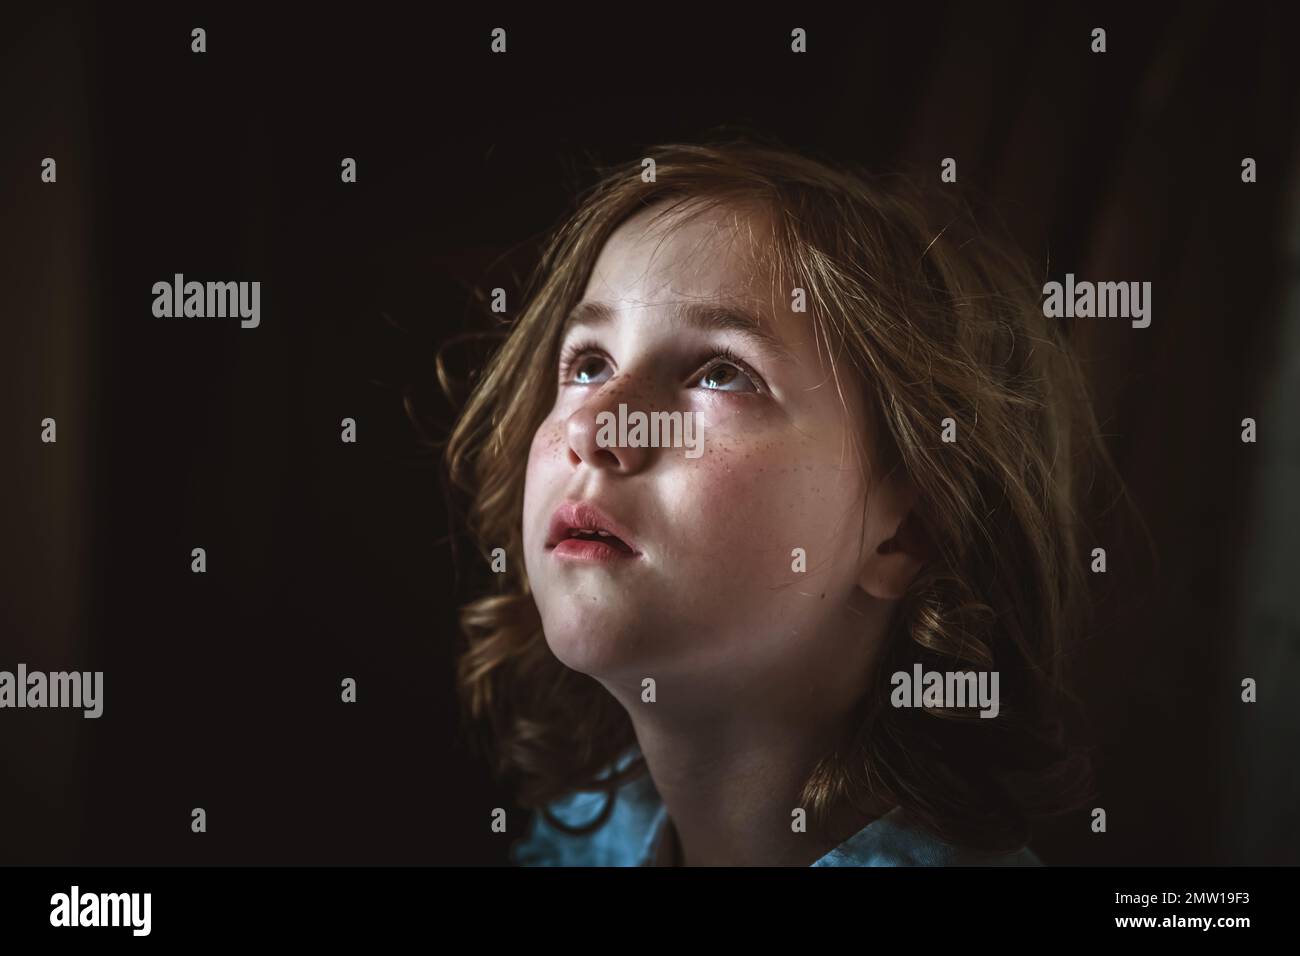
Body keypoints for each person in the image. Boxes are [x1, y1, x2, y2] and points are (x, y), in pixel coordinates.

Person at [443, 137, 1106, 866]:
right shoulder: (585, 836)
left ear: (904, 533)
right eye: (589, 363)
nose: (592, 426)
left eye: (723, 374)